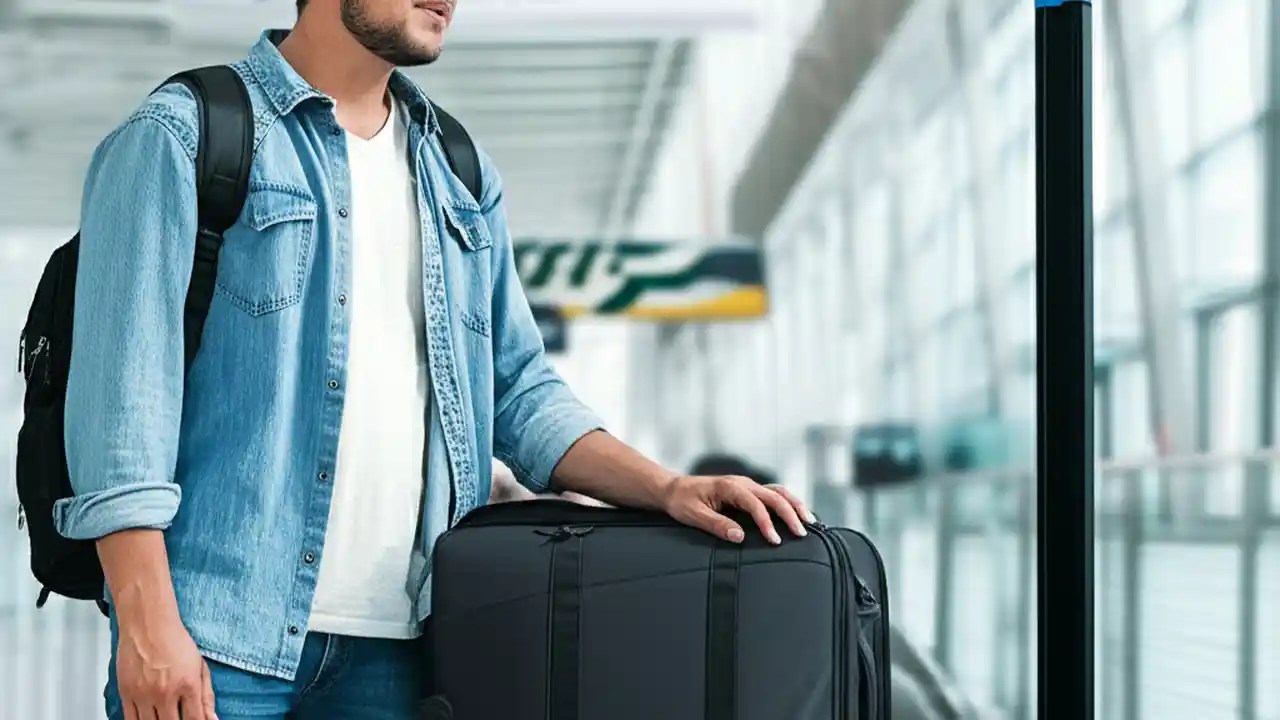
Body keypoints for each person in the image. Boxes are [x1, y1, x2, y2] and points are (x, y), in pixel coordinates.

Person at [56, 2, 814, 718]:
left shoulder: (459, 172)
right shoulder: (182, 136)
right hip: (219, 642)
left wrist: (668, 487)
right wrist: (149, 626)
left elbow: (517, 391)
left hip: (404, 647)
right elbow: (121, 409)